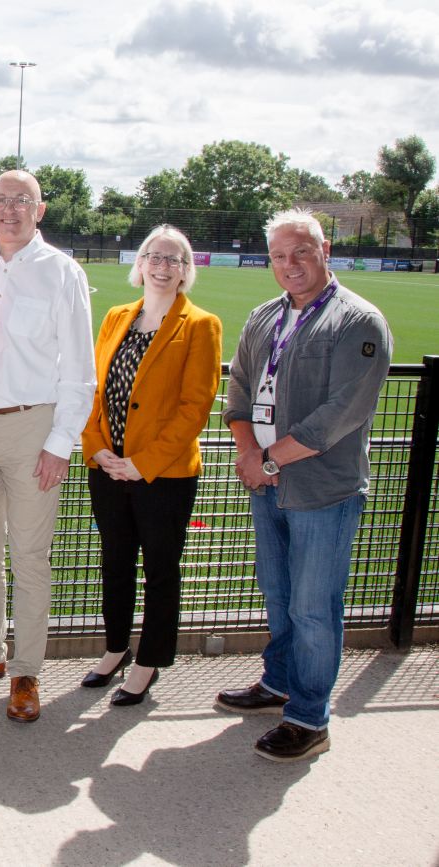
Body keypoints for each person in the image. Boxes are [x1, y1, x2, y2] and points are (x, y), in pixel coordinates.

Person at [217, 209, 391, 761]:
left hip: (321, 490)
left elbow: (337, 416)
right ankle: (279, 683)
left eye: (301, 253)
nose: (289, 265)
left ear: (325, 251)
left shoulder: (358, 321)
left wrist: (268, 460)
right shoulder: (265, 316)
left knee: (314, 608)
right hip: (265, 482)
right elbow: (240, 389)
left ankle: (309, 717)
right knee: (280, 596)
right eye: (278, 255)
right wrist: (251, 455)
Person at [0, 170, 96, 723]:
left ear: (40, 210)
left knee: (29, 557)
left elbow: (80, 369)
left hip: (33, 429)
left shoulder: (63, 273)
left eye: (21, 201)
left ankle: (27, 671)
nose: (10, 210)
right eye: (1, 201)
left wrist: (60, 443)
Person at [79, 225, 221, 706]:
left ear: (187, 271)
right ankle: (115, 648)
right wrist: (96, 448)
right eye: (154, 257)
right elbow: (93, 390)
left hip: (163, 476)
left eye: (174, 259)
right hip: (107, 468)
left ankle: (148, 662)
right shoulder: (117, 316)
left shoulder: (201, 325)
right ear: (139, 264)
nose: (162, 267)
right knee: (115, 563)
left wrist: (143, 464)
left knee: (160, 570)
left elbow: (195, 406)